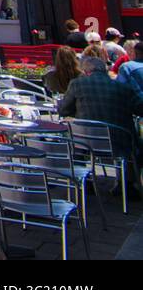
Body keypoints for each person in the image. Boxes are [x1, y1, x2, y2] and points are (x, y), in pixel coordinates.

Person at [58, 54, 143, 195]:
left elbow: (64, 110)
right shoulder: (123, 88)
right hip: (118, 141)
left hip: (86, 141)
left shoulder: (77, 84)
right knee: (134, 144)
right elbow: (139, 108)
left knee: (73, 136)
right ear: (104, 70)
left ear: (86, 71)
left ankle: (83, 180)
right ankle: (127, 184)